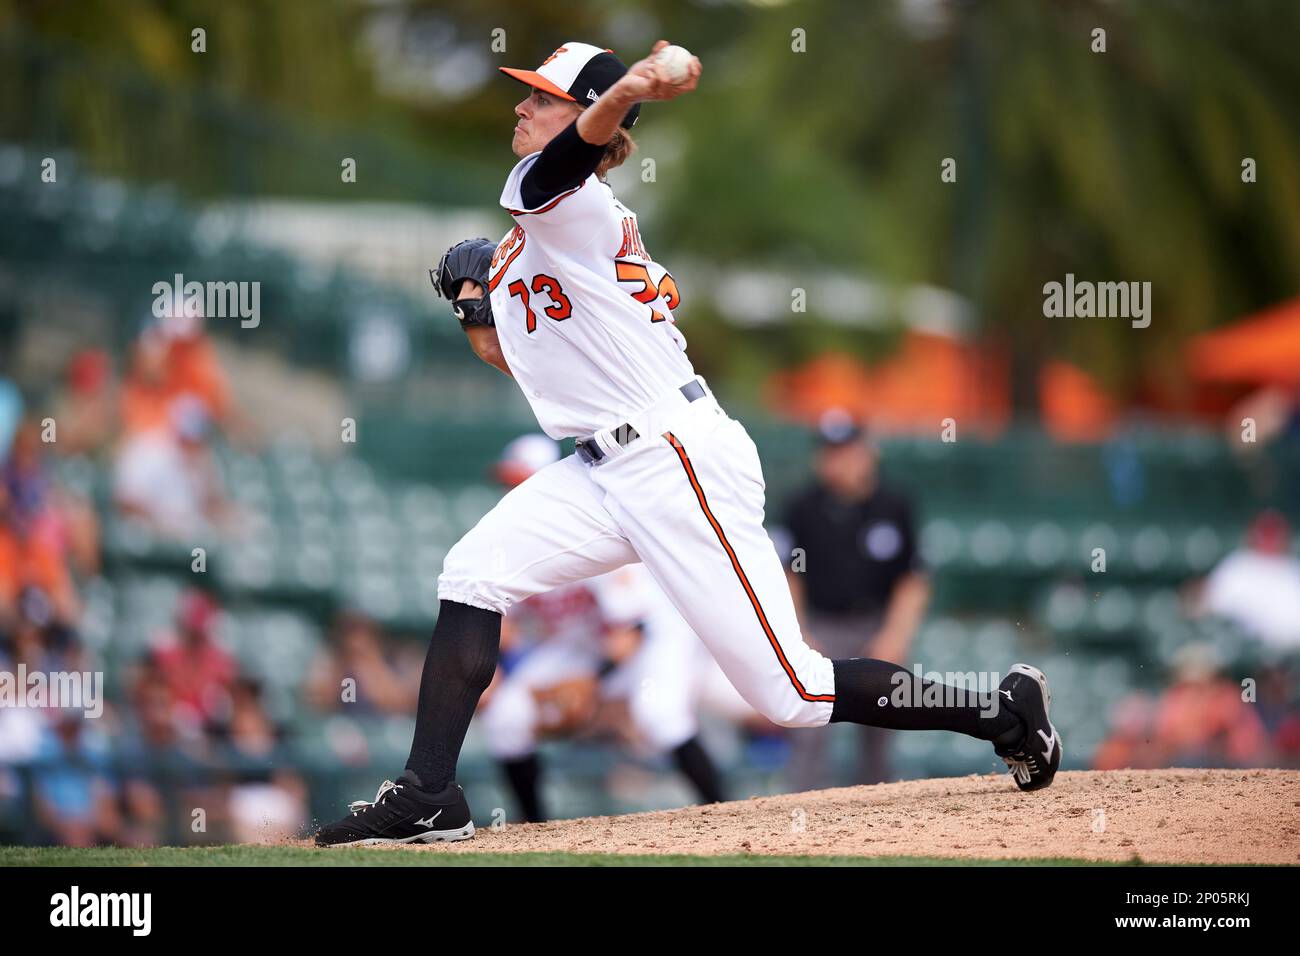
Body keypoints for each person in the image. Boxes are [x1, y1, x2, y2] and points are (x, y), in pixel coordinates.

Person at [314, 40, 1060, 848]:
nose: (522, 108)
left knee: (794, 692)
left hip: (674, 456)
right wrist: (473, 306)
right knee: (472, 571)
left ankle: (1003, 711)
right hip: (600, 467)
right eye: (526, 94)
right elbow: (514, 361)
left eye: (543, 97)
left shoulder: (569, 201)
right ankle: (429, 792)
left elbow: (578, 151)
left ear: (589, 116)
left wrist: (630, 86)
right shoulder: (534, 239)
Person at [478, 435, 727, 822]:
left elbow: (632, 631)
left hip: (653, 636)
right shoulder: (512, 547)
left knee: (658, 714)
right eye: (508, 484)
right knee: (506, 718)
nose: (509, 494)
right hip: (586, 645)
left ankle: (722, 811)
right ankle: (533, 833)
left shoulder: (587, 533)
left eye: (519, 484)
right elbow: (505, 629)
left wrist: (590, 685)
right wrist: (485, 674)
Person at [780, 411, 929, 789]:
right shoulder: (802, 506)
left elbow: (912, 579)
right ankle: (803, 820)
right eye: (830, 452)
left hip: (874, 625)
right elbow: (788, 575)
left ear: (867, 452)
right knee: (810, 728)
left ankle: (876, 829)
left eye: (846, 451)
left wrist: (895, 636)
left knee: (881, 727)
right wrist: (799, 634)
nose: (838, 461)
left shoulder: (895, 505)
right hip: (821, 626)